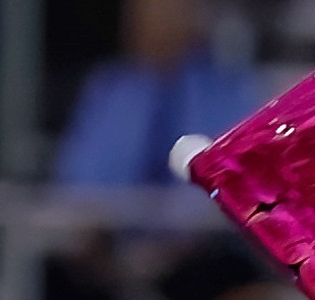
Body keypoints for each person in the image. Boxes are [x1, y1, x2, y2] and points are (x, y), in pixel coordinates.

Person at [53, 0, 264, 189]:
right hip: (113, 218)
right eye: (141, 12)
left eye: (168, 9)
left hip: (201, 220)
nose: (155, 21)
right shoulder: (108, 88)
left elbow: (238, 175)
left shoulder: (226, 91)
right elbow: (78, 176)